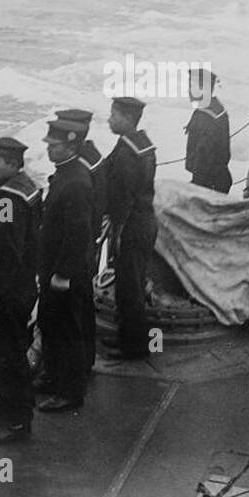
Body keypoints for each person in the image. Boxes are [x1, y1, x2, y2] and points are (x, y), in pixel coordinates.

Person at [0, 137, 41, 445]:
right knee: (14, 353)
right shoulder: (28, 187)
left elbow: (7, 250)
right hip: (26, 285)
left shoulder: (5, 200)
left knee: (4, 358)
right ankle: (18, 413)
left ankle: (12, 423)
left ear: (13, 166)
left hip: (10, 292)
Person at [36, 118, 95, 411]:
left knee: (67, 330)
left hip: (64, 273)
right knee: (51, 323)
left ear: (71, 145)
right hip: (53, 268)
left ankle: (70, 392)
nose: (49, 150)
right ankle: (53, 377)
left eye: (54, 145)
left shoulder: (76, 182)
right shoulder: (65, 174)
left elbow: (78, 233)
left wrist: (62, 274)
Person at [105, 96, 156, 360]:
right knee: (133, 285)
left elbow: (122, 197)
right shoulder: (142, 144)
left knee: (129, 290)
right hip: (146, 221)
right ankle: (129, 340)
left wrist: (116, 233)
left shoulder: (126, 153)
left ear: (126, 119)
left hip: (131, 226)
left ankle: (135, 348)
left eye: (113, 115)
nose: (109, 119)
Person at [55, 108, 106, 371]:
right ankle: (84, 363)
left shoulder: (79, 169)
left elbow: (77, 220)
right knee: (82, 310)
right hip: (89, 243)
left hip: (79, 248)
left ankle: (74, 374)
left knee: (73, 315)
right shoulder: (92, 156)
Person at [184, 68, 232, 192]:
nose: (188, 91)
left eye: (192, 87)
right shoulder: (214, 109)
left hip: (208, 182)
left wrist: (197, 184)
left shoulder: (207, 116)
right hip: (217, 178)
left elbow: (204, 154)